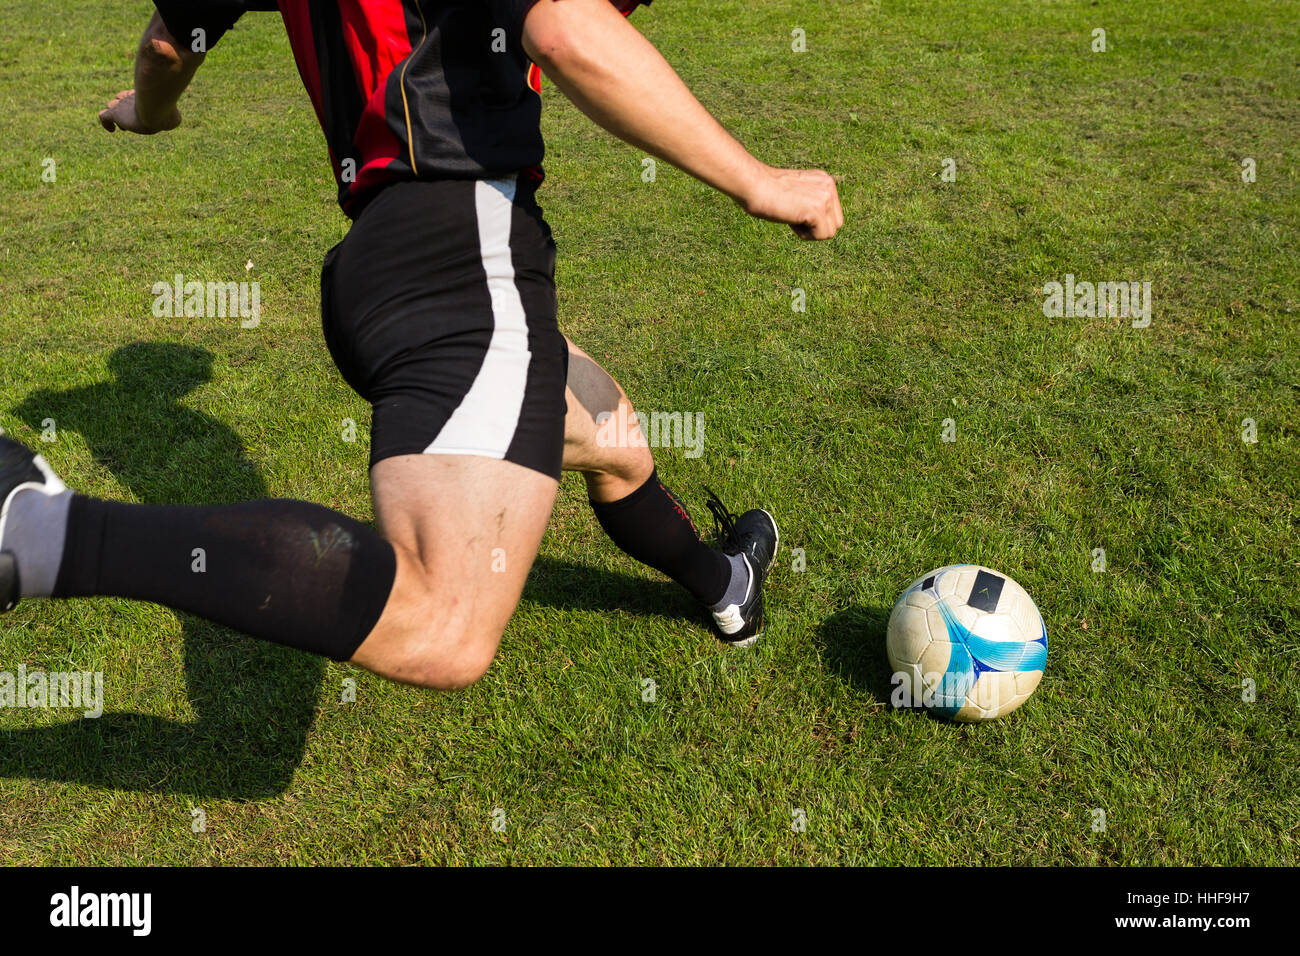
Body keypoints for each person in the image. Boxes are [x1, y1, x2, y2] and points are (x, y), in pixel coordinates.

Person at [1, 0, 842, 691]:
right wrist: (758, 181)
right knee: (445, 625)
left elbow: (167, 42)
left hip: (378, 263)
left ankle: (726, 585)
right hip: (460, 249)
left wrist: (150, 112)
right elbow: (563, 28)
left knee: (610, 435)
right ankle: (38, 529)